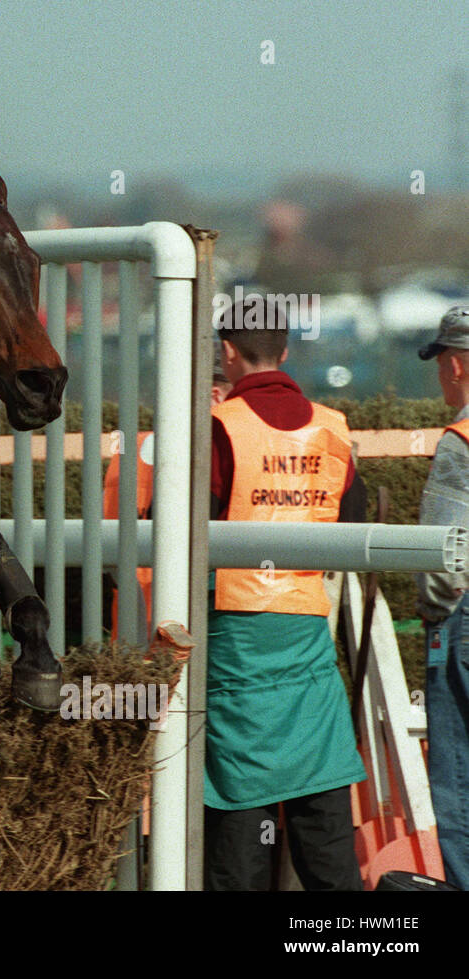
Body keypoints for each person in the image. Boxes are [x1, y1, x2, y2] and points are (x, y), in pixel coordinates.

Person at [204, 297, 367, 891]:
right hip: (305, 636)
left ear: (226, 353)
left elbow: (179, 537)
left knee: (239, 817)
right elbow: (349, 532)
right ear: (287, 350)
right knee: (323, 812)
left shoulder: (219, 429)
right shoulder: (333, 427)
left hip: (235, 641)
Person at [105, 367, 232, 639]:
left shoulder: (129, 453)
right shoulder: (209, 460)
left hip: (133, 640)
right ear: (215, 397)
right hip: (199, 635)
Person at [414, 304, 469, 890]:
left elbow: (446, 561)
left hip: (464, 619)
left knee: (458, 781)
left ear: (455, 364)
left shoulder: (461, 440)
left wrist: (433, 619)